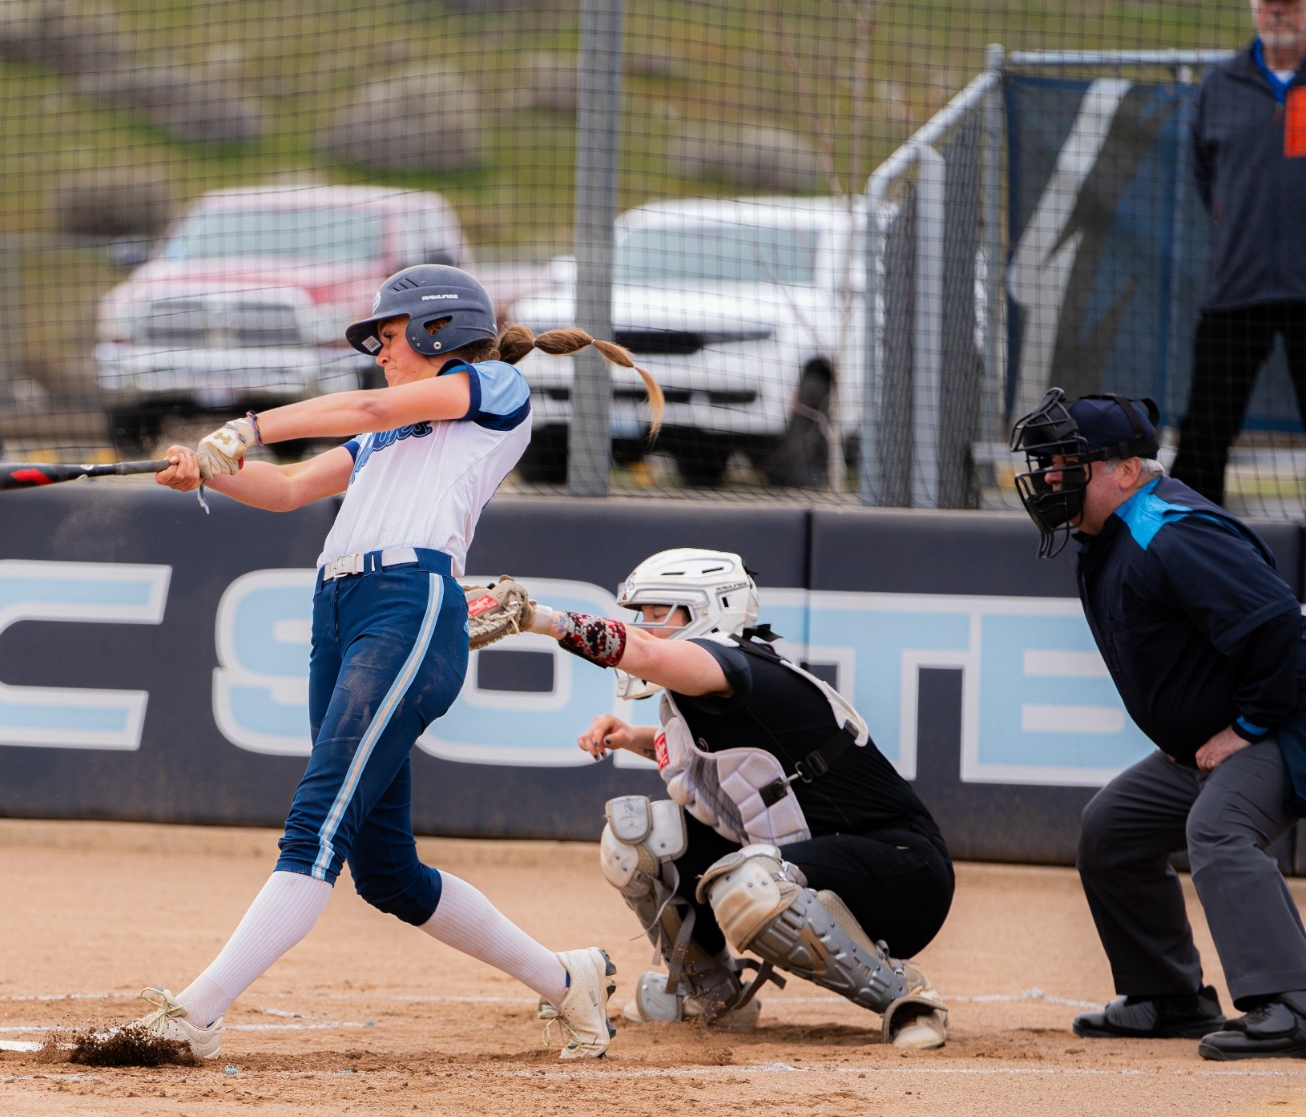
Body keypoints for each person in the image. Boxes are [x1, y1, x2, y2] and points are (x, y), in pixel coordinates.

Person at [120, 264, 661, 1061]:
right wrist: (214, 472)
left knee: (316, 823)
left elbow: (368, 404)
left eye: (389, 334)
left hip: (408, 605)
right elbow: (295, 487)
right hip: (339, 612)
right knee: (386, 872)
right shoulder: (386, 432)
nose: (379, 351)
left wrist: (247, 426)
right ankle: (567, 979)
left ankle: (196, 1011)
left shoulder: (494, 387)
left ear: (439, 331)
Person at [469, 551, 953, 1049]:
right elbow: (730, 765)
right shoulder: (704, 695)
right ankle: (714, 994)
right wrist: (633, 737)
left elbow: (649, 655)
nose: (646, 627)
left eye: (659, 615)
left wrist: (540, 619)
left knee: (749, 881)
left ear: (710, 608)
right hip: (825, 858)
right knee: (635, 838)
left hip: (904, 873)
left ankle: (907, 996)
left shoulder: (736, 661)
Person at [1011, 387, 1306, 1059]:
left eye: (1066, 463)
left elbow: (1277, 624)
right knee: (1111, 830)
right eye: (1048, 462)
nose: (1050, 478)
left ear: (1125, 468)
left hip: (1287, 717)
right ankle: (1171, 995)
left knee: (1219, 827)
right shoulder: (1109, 533)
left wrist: (1248, 727)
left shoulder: (1170, 530)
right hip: (1223, 732)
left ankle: (1294, 999)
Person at [1168, 0, 1306, 505]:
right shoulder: (1220, 85)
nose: (1278, 13)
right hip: (1236, 287)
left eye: (1289, 5)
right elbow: (1208, 178)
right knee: (1205, 433)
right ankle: (1195, 549)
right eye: (1269, 4)